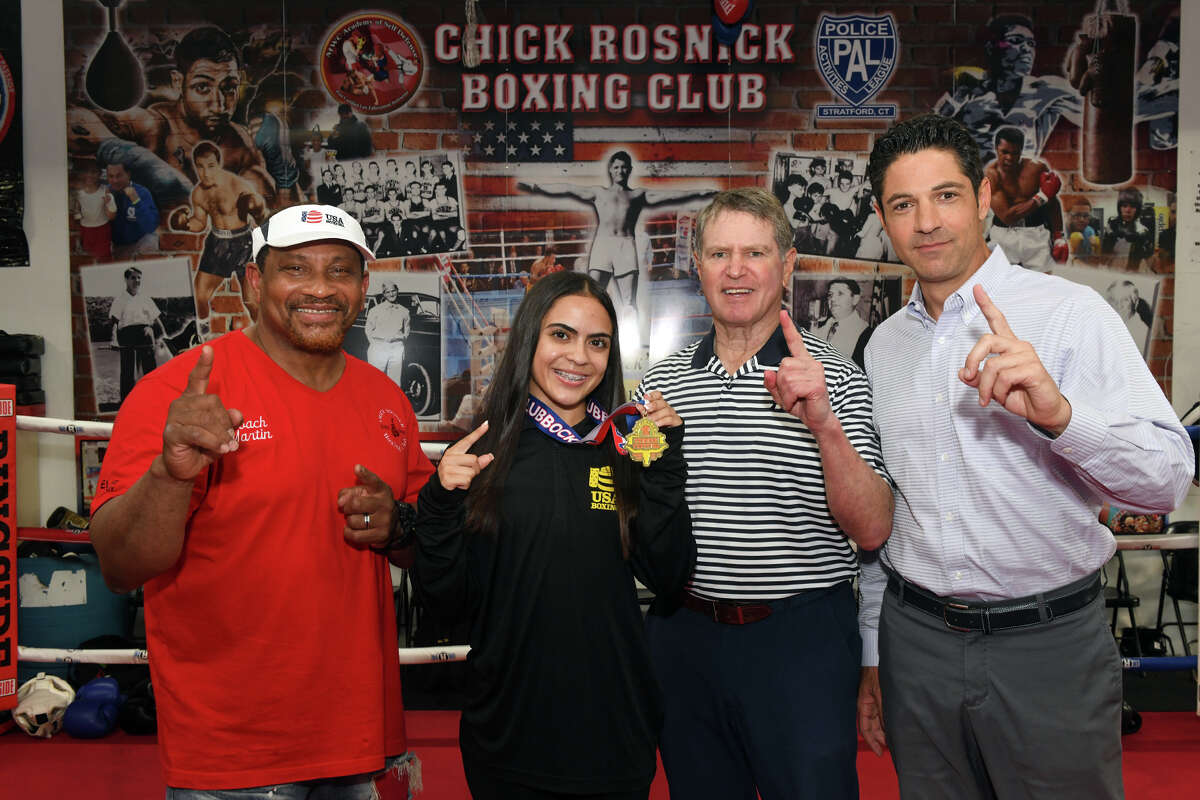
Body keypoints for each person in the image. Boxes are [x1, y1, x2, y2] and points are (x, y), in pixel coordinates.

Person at [856, 113, 1194, 800]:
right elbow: (887, 515)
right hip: (915, 643)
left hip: (1047, 646)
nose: (926, 222)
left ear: (983, 196)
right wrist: (873, 654)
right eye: (903, 204)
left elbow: (1166, 482)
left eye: (945, 195)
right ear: (881, 218)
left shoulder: (1070, 315)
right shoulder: (884, 346)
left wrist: (1061, 418)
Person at [89, 204, 433, 795]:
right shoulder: (175, 394)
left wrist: (399, 526)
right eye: (295, 268)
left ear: (363, 287)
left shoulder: (386, 400)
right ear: (254, 282)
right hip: (231, 751)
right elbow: (120, 566)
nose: (320, 288)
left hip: (359, 740)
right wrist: (171, 476)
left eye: (340, 270)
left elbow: (424, 546)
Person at [637, 187, 894, 799]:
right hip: (685, 637)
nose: (736, 269)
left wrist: (824, 422)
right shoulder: (657, 383)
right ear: (697, 265)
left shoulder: (837, 377)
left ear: (788, 264)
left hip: (799, 640)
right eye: (719, 253)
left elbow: (874, 528)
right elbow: (635, 503)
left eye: (755, 252)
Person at [413, 270, 696, 799]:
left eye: (597, 343)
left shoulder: (627, 443)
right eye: (560, 335)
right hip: (509, 738)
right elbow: (445, 604)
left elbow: (670, 573)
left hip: (612, 736)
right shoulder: (482, 453)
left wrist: (662, 466)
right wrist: (439, 502)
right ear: (530, 339)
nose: (579, 357)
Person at [69, 26, 274, 207]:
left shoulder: (239, 144)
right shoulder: (155, 124)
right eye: (202, 87)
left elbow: (265, 205)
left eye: (229, 88)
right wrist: (144, 162)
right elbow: (75, 118)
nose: (219, 105)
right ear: (178, 82)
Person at [517, 151, 712, 331]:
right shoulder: (598, 193)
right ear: (610, 169)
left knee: (629, 303)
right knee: (591, 298)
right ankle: (590, 337)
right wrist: (537, 187)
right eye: (617, 167)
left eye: (624, 167)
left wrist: (700, 193)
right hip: (602, 245)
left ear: (630, 170)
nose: (620, 171)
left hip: (625, 245)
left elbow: (669, 195)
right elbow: (568, 189)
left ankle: (633, 347)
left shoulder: (638, 194)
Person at [935, 14, 1081, 162]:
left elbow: (1096, 118)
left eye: (1031, 44)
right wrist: (957, 95)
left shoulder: (1047, 90)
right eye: (1016, 41)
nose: (1026, 49)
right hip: (976, 180)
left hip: (1020, 181)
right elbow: (931, 131)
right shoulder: (969, 86)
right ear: (992, 47)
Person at [170, 141, 266, 332]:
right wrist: (186, 224)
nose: (205, 173)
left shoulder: (237, 185)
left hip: (243, 244)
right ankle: (202, 336)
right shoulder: (198, 193)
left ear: (218, 164)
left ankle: (267, 340)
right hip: (217, 244)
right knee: (199, 296)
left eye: (211, 166)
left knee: (252, 302)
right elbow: (199, 223)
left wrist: (256, 206)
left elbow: (262, 217)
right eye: (200, 167)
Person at [983, 127, 1067, 271]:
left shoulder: (1037, 168)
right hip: (1004, 235)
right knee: (1000, 285)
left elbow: (1052, 202)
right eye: (1004, 152)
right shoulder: (991, 175)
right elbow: (1007, 217)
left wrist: (1059, 236)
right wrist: (1042, 197)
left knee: (1043, 285)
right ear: (997, 149)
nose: (1009, 158)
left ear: (1021, 151)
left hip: (1035, 234)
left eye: (1015, 153)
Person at [109, 267, 165, 401]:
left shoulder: (146, 299)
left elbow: (156, 320)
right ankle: (127, 400)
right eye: (133, 278)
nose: (137, 280)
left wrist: (164, 336)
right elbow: (114, 323)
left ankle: (152, 397)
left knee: (150, 367)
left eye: (139, 277)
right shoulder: (120, 300)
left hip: (145, 333)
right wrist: (114, 339)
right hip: (126, 333)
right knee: (128, 369)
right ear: (126, 280)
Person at [814, 277, 870, 369]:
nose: (833, 299)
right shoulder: (820, 327)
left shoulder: (865, 334)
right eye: (830, 295)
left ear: (855, 299)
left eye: (840, 294)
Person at [107, 162, 160, 258]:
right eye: (111, 176)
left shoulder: (142, 192)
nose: (115, 180)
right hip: (116, 246)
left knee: (151, 239)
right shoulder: (106, 193)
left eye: (119, 176)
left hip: (138, 243)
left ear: (128, 174)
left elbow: (150, 226)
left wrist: (136, 200)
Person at [1101, 187, 1155, 271]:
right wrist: (1110, 239)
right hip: (1112, 271)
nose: (1128, 210)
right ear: (1119, 207)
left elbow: (1149, 260)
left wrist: (1144, 245)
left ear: (1138, 209)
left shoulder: (1142, 231)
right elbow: (1104, 256)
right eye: (1124, 206)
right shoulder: (1112, 225)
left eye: (1133, 206)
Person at [366, 283, 410, 382]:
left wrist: (400, 346)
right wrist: (375, 346)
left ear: (397, 291)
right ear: (384, 294)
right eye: (388, 292)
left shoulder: (404, 311)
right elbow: (368, 329)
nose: (391, 294)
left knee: (394, 383)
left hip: (396, 348)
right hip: (379, 347)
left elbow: (407, 331)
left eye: (393, 291)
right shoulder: (375, 310)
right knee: (376, 382)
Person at [74, 163, 117, 260]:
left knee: (104, 257)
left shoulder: (104, 190)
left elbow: (112, 215)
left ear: (100, 174)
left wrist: (110, 203)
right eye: (87, 171)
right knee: (88, 256)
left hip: (102, 229)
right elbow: (77, 209)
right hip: (86, 229)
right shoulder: (79, 192)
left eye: (94, 172)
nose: (90, 175)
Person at [1105, 279, 1150, 354]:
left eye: (1125, 300)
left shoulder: (1142, 333)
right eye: (1113, 300)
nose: (1119, 306)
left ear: (1135, 303)